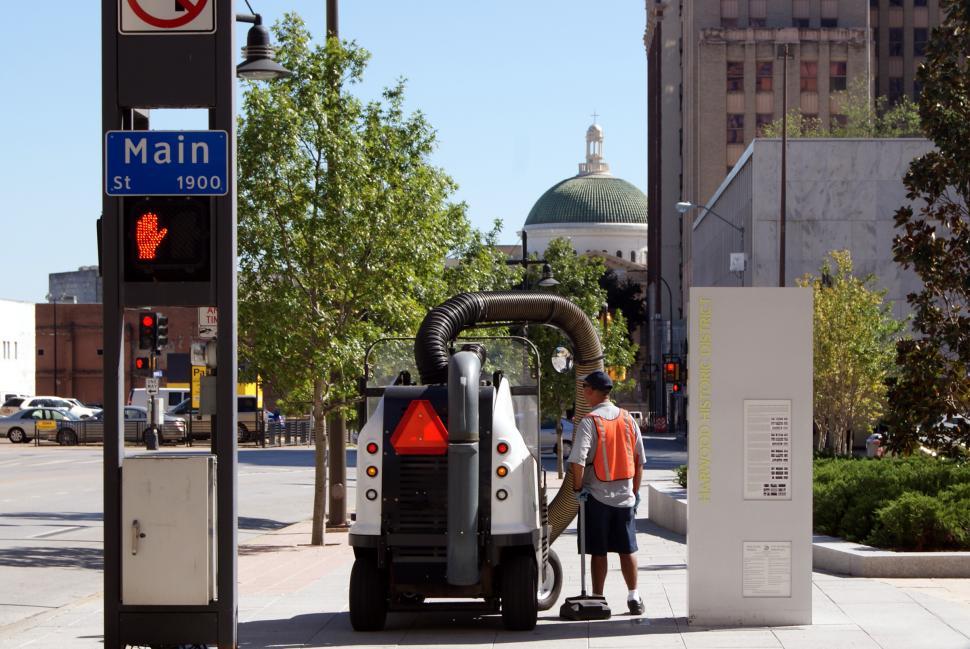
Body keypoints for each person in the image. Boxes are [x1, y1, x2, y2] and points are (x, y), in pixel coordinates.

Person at [567, 370, 646, 615]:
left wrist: (578, 488)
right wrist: (634, 493)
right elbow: (639, 460)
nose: (583, 392)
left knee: (598, 550)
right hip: (624, 498)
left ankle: (599, 598)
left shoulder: (590, 421)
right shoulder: (627, 419)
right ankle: (634, 597)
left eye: (584, 388)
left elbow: (578, 461)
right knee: (627, 548)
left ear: (591, 391)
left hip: (597, 498)